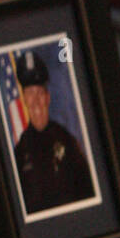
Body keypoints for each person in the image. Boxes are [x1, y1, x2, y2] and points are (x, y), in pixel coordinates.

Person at [13, 51, 95, 215]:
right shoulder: (20, 151)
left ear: (48, 97)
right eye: (29, 93)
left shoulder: (66, 140)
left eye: (39, 93)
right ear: (24, 99)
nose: (35, 100)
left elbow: (88, 193)